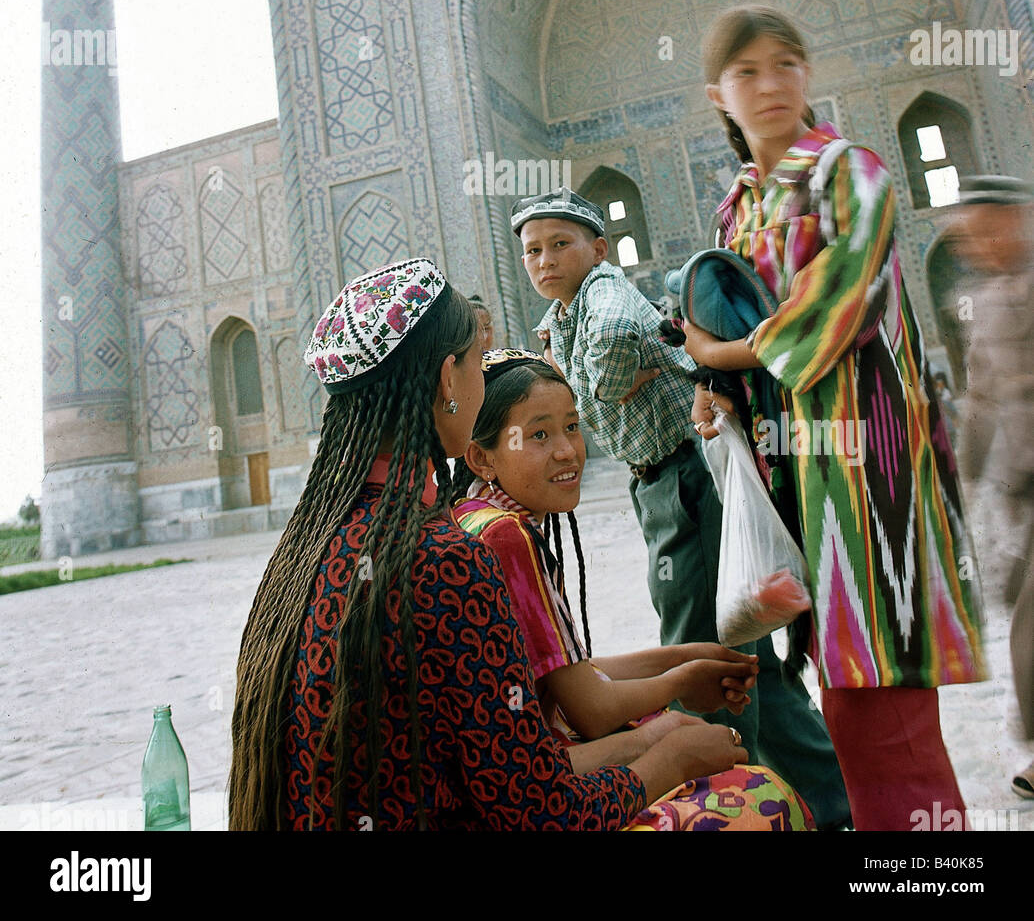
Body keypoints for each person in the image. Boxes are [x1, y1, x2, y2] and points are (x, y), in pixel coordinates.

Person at [227, 257, 744, 830]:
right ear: (449, 378)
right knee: (751, 802)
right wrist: (670, 760)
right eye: (477, 360)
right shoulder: (442, 560)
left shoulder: (307, 549)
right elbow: (539, 813)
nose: (567, 448)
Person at [680, 4, 986, 831]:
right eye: (748, 72)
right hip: (797, 488)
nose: (772, 84)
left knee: (889, 722)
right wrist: (714, 393)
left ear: (808, 74)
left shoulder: (852, 172)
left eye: (787, 63)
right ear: (719, 94)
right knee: (847, 709)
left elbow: (832, 309)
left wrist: (716, 357)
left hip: (871, 478)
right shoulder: (737, 209)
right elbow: (726, 319)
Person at [514, 186, 851, 829]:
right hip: (669, 480)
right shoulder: (566, 313)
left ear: (598, 247)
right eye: (533, 250)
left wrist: (586, 383)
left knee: (701, 656)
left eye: (561, 244)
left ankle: (726, 809)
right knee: (747, 661)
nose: (546, 260)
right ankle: (832, 810)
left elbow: (605, 363)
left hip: (683, 481)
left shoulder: (604, 296)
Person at [449, 347, 816, 831]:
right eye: (538, 434)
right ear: (482, 458)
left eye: (572, 427)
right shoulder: (507, 537)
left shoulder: (470, 518)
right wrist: (680, 691)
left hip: (516, 770)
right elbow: (591, 710)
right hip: (528, 792)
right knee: (760, 796)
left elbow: (561, 675)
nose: (566, 450)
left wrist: (678, 659)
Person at [951, 174, 1034, 800]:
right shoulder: (981, 300)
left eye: (987, 230)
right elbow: (979, 401)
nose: (979, 245)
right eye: (969, 236)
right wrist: (965, 477)